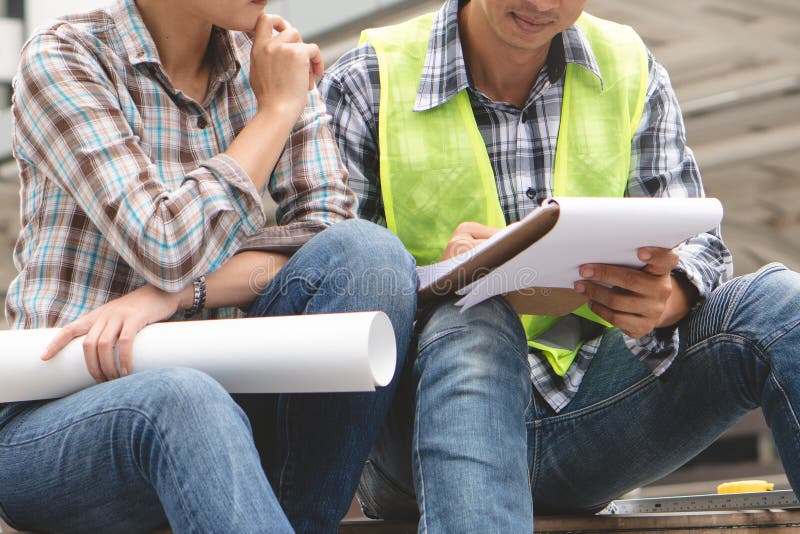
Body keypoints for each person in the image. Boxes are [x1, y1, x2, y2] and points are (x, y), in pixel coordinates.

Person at [319, 0, 800, 532]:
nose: (541, 3)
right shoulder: (367, 82)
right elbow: (328, 295)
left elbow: (700, 243)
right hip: (422, 430)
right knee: (474, 320)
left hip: (586, 413)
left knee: (781, 303)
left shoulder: (629, 67)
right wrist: (443, 283)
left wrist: (666, 297)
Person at [0, 0, 417, 532]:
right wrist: (274, 112)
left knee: (370, 256)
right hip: (57, 416)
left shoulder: (267, 59)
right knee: (186, 398)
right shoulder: (65, 57)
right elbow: (164, 245)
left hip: (229, 400)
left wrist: (179, 295)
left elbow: (327, 231)